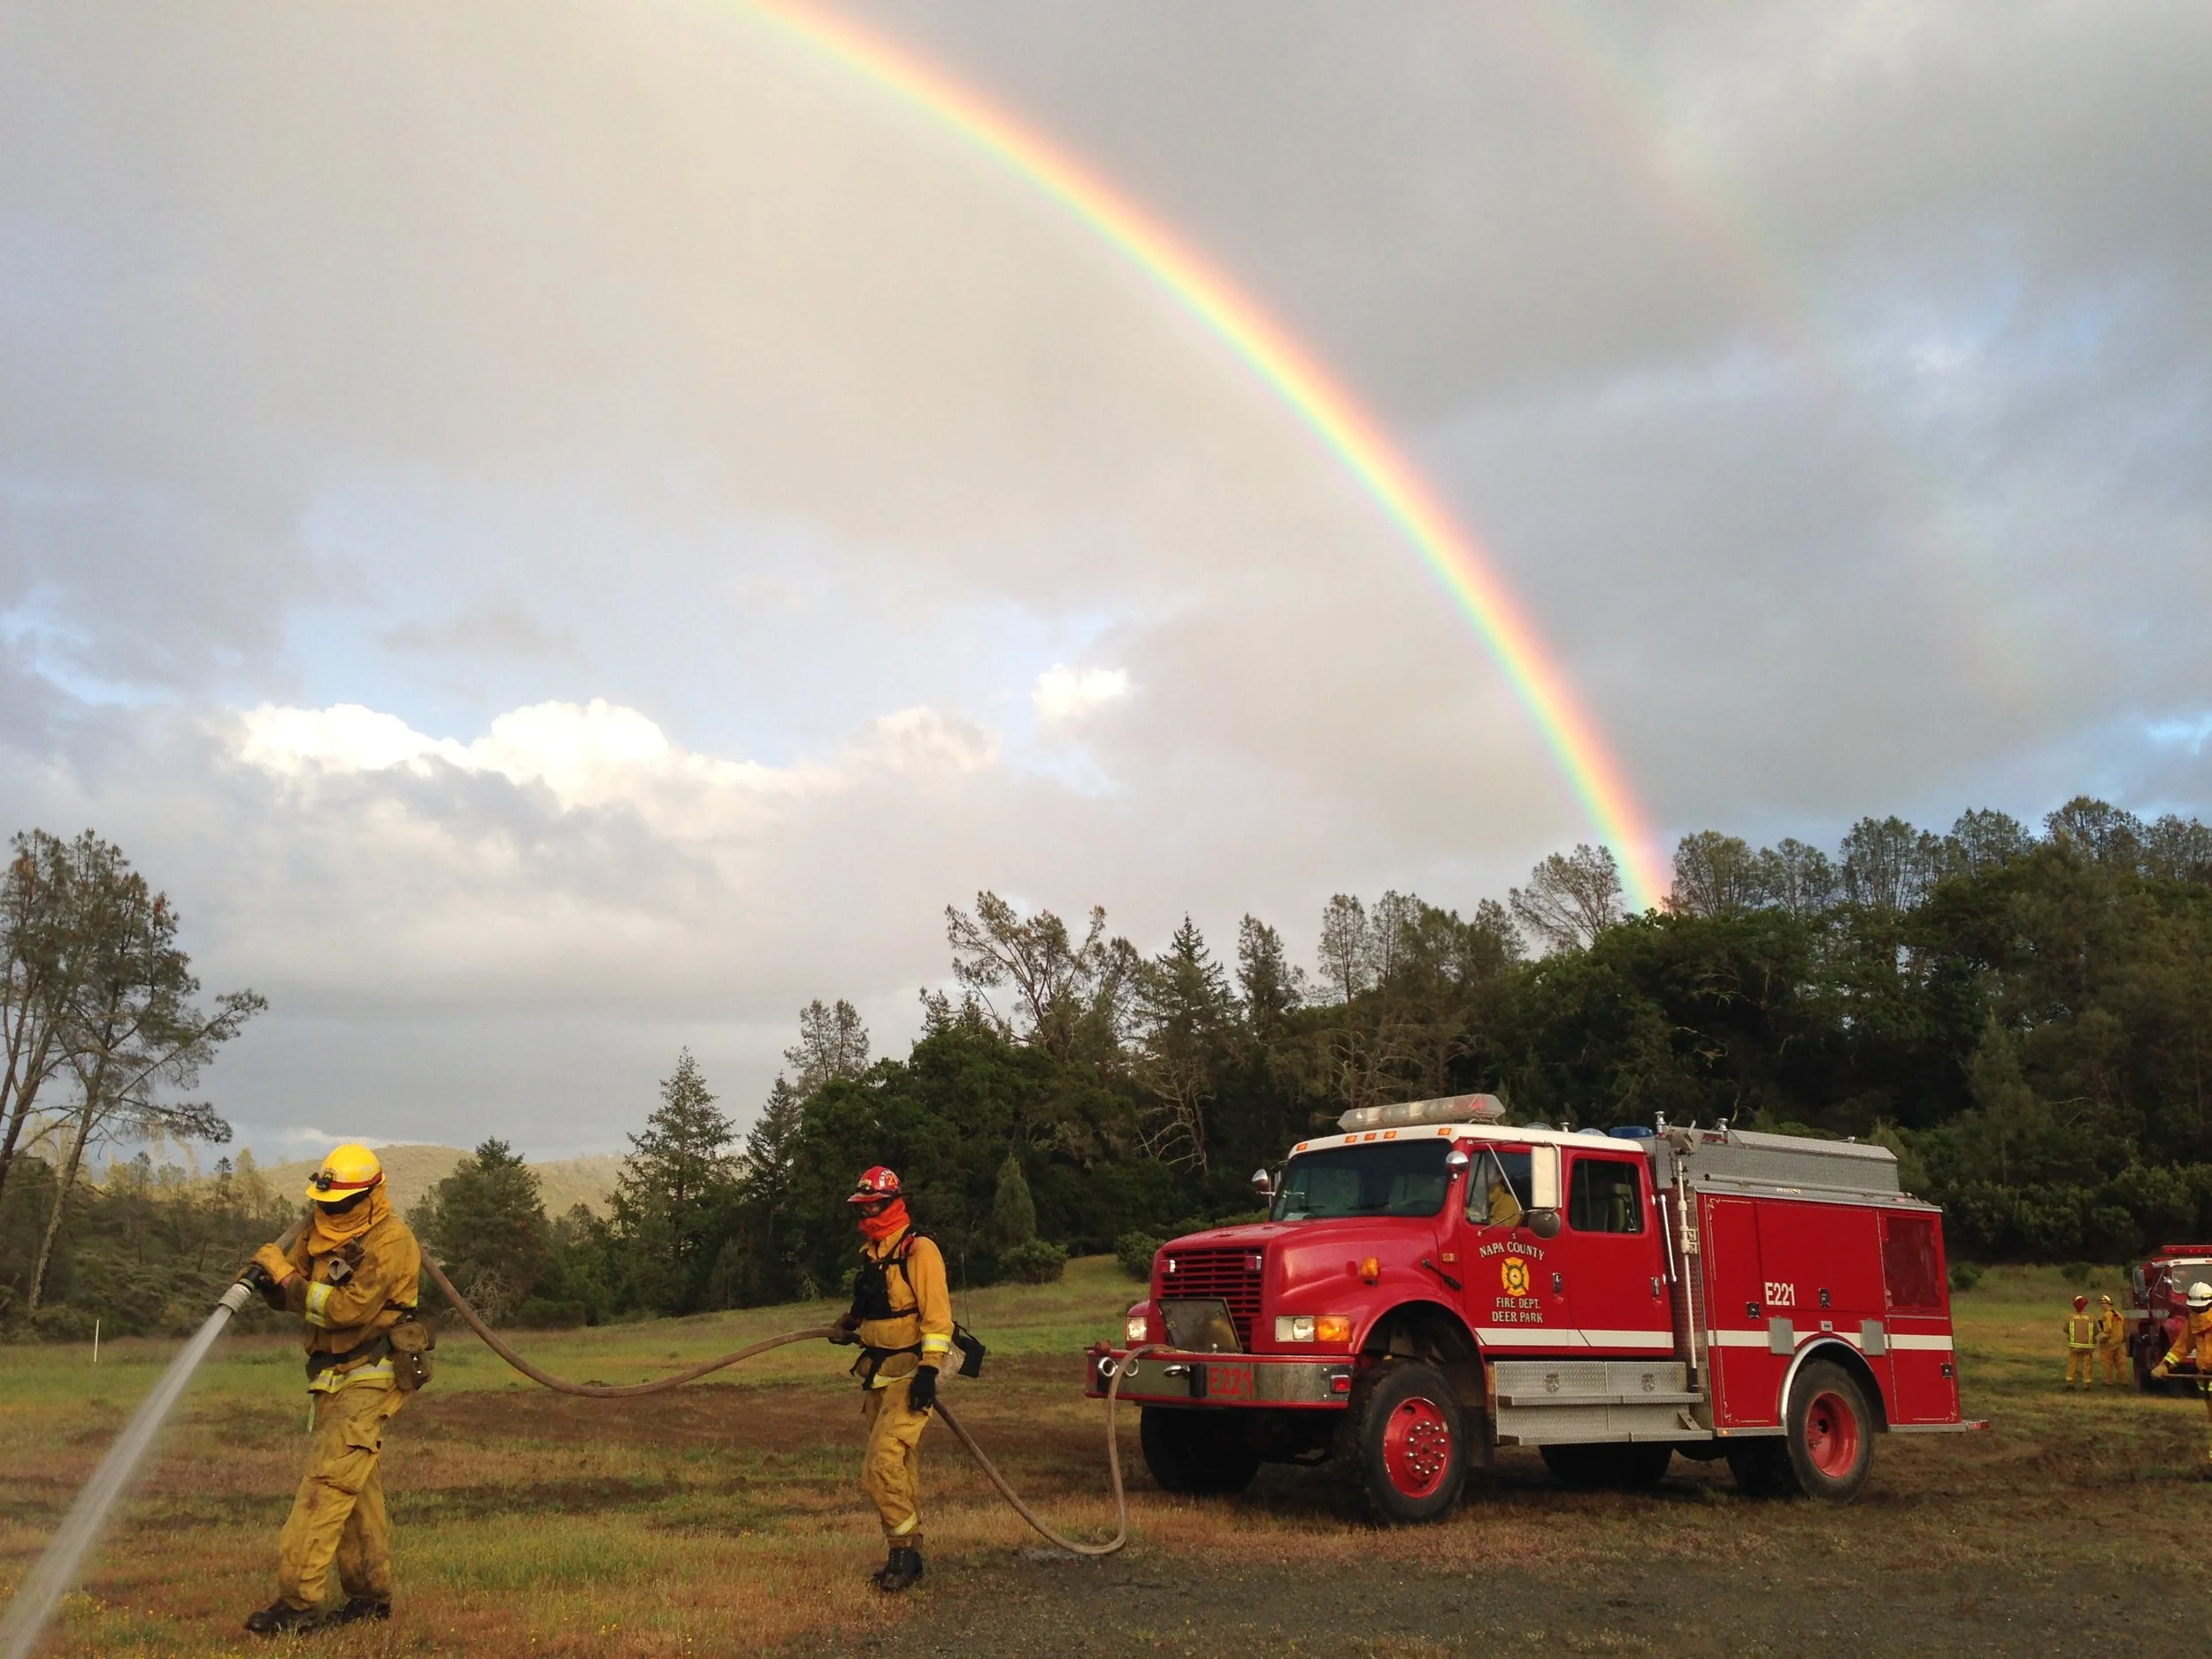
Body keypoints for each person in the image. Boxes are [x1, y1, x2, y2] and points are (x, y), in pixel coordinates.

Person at [238, 1144, 426, 1636]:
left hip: (373, 1370)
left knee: (326, 1483)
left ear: (370, 1195)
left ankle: (296, 1604)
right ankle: (369, 1598)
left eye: (342, 1205)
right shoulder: (319, 1231)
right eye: (326, 1204)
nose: (332, 1213)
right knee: (355, 1485)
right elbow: (294, 1292)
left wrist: (286, 1277)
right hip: (332, 1374)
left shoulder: (392, 1240)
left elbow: (347, 1311)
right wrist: (268, 1282)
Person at [830, 1165, 953, 1593]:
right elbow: (874, 1309)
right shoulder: (872, 1255)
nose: (865, 1216)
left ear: (891, 1202)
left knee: (880, 1463)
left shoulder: (920, 1252)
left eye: (871, 1207)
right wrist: (849, 1326)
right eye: (860, 1208)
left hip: (912, 1372)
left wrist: (929, 1373)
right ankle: (911, 1553)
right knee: (899, 1464)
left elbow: (937, 1320)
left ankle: (901, 1551)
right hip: (879, 1373)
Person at [2151, 1280, 2212, 1468]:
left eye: (2201, 1309)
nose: (2198, 1313)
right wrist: (2165, 1365)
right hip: (2206, 1379)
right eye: (2194, 1309)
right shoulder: (2192, 1323)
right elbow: (2181, 1347)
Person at [2063, 1294, 2097, 1390]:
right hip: (2088, 1347)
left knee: (2072, 1364)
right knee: (2087, 1365)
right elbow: (2097, 1330)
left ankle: (2070, 1383)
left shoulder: (2070, 1317)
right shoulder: (2092, 1318)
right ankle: (2087, 1384)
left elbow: (2065, 1329)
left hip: (2074, 1347)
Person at [2095, 1294, 2128, 1386]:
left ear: (2108, 1304)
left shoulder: (2106, 1315)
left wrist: (2101, 1338)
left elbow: (2108, 1329)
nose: (2101, 1305)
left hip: (2109, 1343)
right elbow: (2124, 1327)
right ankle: (2124, 1380)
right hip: (2119, 1342)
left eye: (2103, 1303)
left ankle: (2108, 1381)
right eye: (2101, 1303)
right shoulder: (2118, 1314)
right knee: (2121, 1363)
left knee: (2107, 1362)